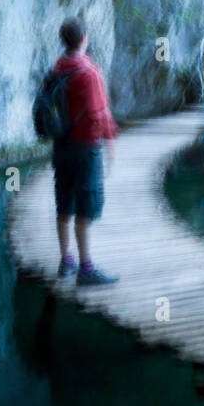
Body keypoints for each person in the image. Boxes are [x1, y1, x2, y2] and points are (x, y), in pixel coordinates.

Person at [45, 18, 119, 286]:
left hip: (61, 146)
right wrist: (110, 145)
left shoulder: (57, 69)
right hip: (85, 149)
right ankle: (86, 268)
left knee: (64, 202)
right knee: (85, 207)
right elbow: (99, 113)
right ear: (84, 38)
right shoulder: (88, 72)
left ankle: (66, 261)